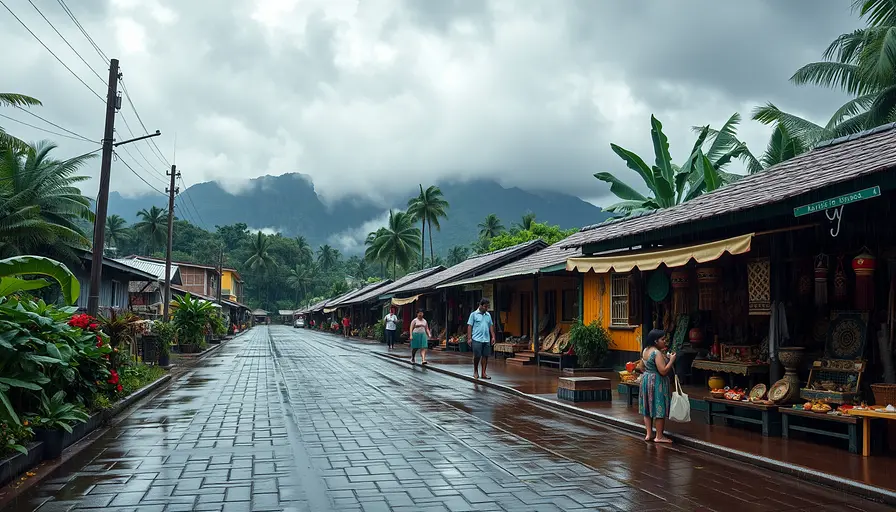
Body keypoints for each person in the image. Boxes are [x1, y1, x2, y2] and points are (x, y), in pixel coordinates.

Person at [639, 329, 676, 443]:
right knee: (659, 407)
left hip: (646, 379)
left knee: (647, 407)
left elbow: (641, 367)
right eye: (662, 339)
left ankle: (649, 434)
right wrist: (672, 360)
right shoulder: (656, 353)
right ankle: (659, 436)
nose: (665, 341)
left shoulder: (645, 350)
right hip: (657, 382)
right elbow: (663, 371)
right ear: (656, 341)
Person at [467, 298, 495, 380]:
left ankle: (483, 373)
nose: (486, 308)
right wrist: (469, 338)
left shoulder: (488, 315)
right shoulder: (473, 314)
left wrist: (493, 336)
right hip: (476, 338)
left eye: (487, 307)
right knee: (477, 356)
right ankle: (475, 371)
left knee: (485, 356)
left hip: (486, 339)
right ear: (480, 305)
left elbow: (491, 325)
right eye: (485, 307)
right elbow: (469, 326)